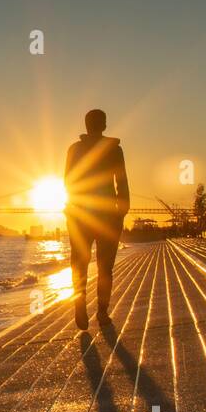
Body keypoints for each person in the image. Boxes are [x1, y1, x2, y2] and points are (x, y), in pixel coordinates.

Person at [64, 109, 129, 329]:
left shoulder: (74, 149)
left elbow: (68, 182)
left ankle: (80, 302)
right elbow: (122, 182)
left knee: (79, 263)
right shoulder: (114, 149)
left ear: (86, 125)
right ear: (104, 125)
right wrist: (122, 210)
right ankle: (102, 312)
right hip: (108, 216)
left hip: (80, 215)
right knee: (105, 267)